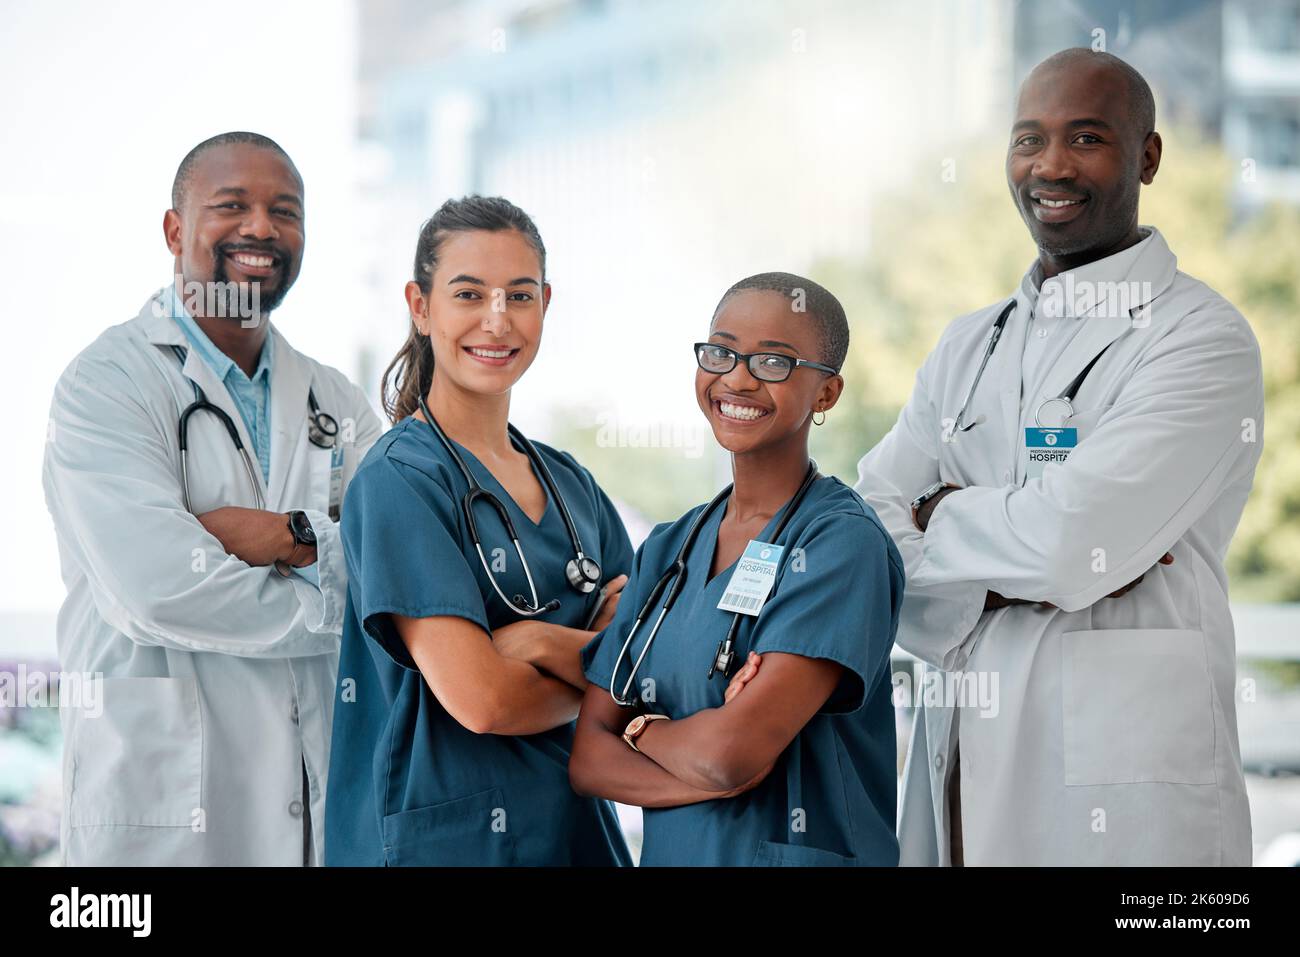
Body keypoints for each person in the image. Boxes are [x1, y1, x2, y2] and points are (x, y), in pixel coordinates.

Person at [855, 49, 1262, 866]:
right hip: (964, 767)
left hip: (1128, 802)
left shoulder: (1202, 339)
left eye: (1086, 138)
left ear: (1146, 157)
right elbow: (874, 530)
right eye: (1028, 139)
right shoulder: (968, 343)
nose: (1050, 166)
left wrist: (944, 517)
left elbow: (1074, 539)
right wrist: (1015, 567)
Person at [42, 131, 384, 865]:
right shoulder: (107, 385)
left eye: (284, 211)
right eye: (232, 205)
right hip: (159, 818)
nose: (261, 227)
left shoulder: (338, 399)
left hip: (314, 814)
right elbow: (158, 589)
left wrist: (284, 538)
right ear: (175, 230)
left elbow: (390, 564)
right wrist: (335, 592)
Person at [324, 196, 633, 866]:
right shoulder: (398, 482)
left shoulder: (570, 484)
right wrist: (594, 665)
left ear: (545, 303)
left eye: (519, 294)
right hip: (448, 845)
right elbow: (485, 701)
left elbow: (645, 667)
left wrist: (537, 641)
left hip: (576, 836)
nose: (497, 319)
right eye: (469, 293)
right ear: (420, 304)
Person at [571, 273, 904, 866]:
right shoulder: (669, 549)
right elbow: (588, 760)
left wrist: (642, 731)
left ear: (826, 394)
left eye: (774, 362)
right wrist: (705, 762)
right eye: (722, 351)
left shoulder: (839, 544)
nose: (739, 378)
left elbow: (733, 753)